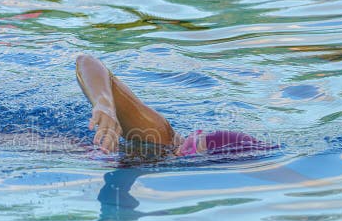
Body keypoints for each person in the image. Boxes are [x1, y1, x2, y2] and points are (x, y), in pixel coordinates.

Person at [75, 54, 276, 156]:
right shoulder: (158, 136)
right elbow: (87, 62)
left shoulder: (154, 159)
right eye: (194, 144)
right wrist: (104, 105)